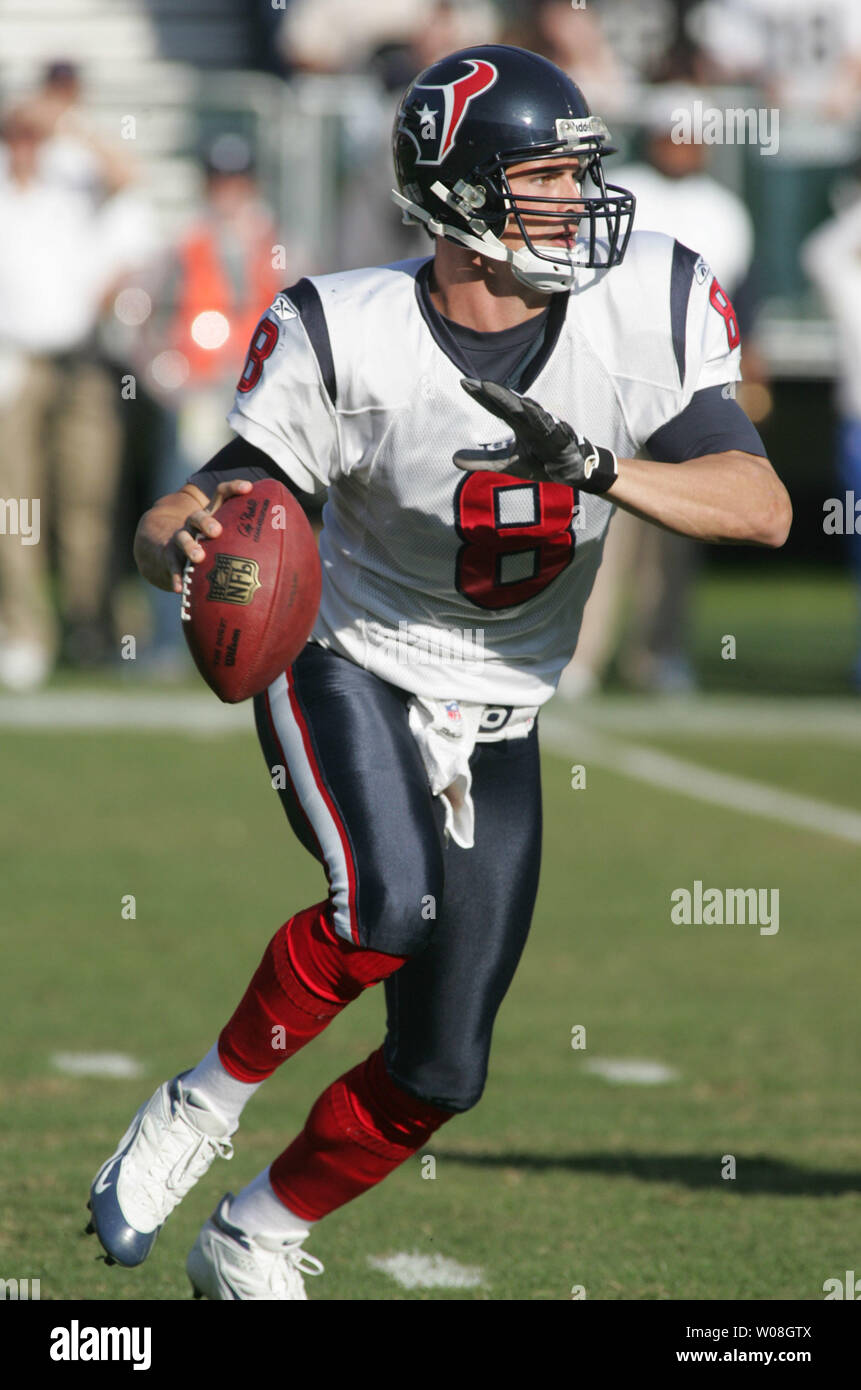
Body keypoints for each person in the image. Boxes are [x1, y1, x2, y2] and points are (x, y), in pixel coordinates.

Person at [87, 43, 791, 1300]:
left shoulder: (650, 302)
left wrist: (597, 466)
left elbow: (761, 506)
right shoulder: (341, 327)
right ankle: (202, 1101)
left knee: (444, 1068)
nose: (577, 202)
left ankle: (254, 1231)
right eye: (543, 178)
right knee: (385, 907)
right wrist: (167, 537)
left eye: (580, 173)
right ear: (459, 196)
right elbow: (196, 514)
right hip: (346, 653)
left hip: (504, 699)